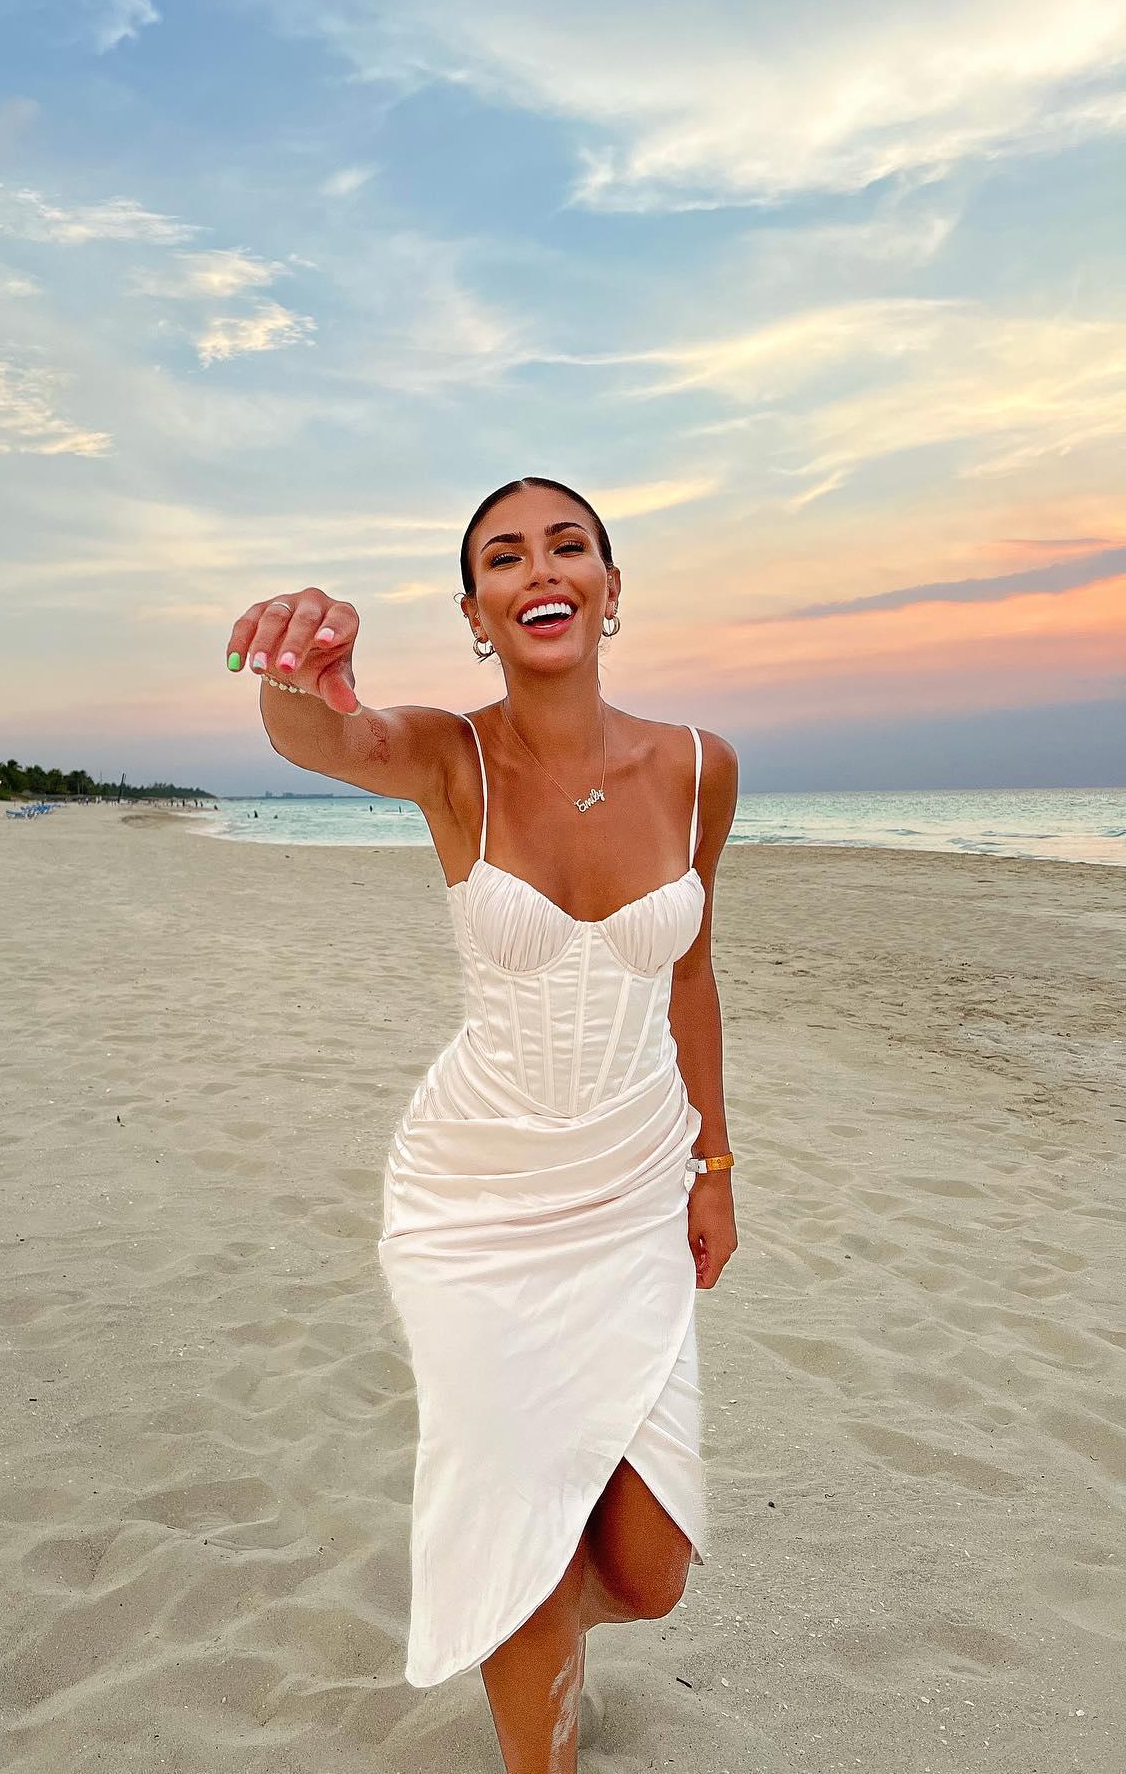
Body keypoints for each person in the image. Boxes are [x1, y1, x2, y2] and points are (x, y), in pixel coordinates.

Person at [225, 476, 739, 1772]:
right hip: (479, 1200)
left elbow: (692, 972)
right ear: (477, 613)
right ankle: (538, 1733)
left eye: (567, 545)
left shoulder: (696, 768)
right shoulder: (452, 758)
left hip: (630, 1190)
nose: (540, 567)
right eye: (504, 557)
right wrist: (301, 671)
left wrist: (714, 1164)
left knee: (652, 1563)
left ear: (612, 590)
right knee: (521, 1509)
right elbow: (326, 742)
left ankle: (544, 1625)